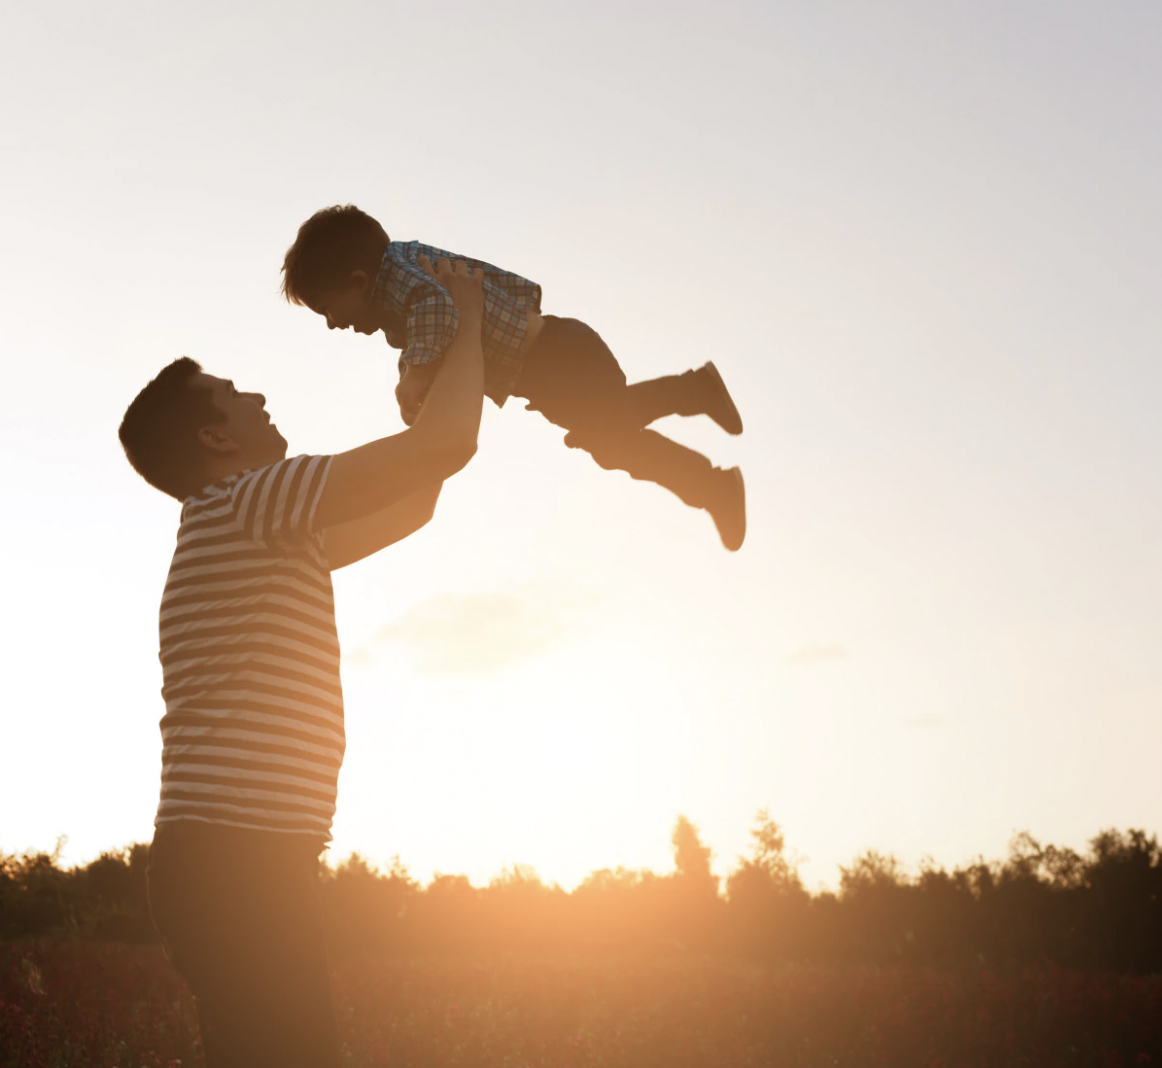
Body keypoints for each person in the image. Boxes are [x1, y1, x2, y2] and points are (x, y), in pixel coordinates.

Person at [117, 258, 489, 1067]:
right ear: (217, 437)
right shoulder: (247, 503)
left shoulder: (268, 528)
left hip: (250, 859)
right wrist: (464, 319)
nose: (255, 396)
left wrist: (441, 377)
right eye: (233, 392)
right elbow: (446, 446)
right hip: (232, 860)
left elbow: (419, 492)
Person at [281, 203, 749, 551]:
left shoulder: (402, 281)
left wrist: (414, 376)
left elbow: (438, 309)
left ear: (359, 282)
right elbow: (433, 324)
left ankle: (712, 481)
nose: (331, 323)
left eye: (326, 308)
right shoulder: (403, 281)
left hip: (559, 358)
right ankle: (696, 399)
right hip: (553, 364)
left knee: (611, 441)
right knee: (610, 431)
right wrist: (412, 374)